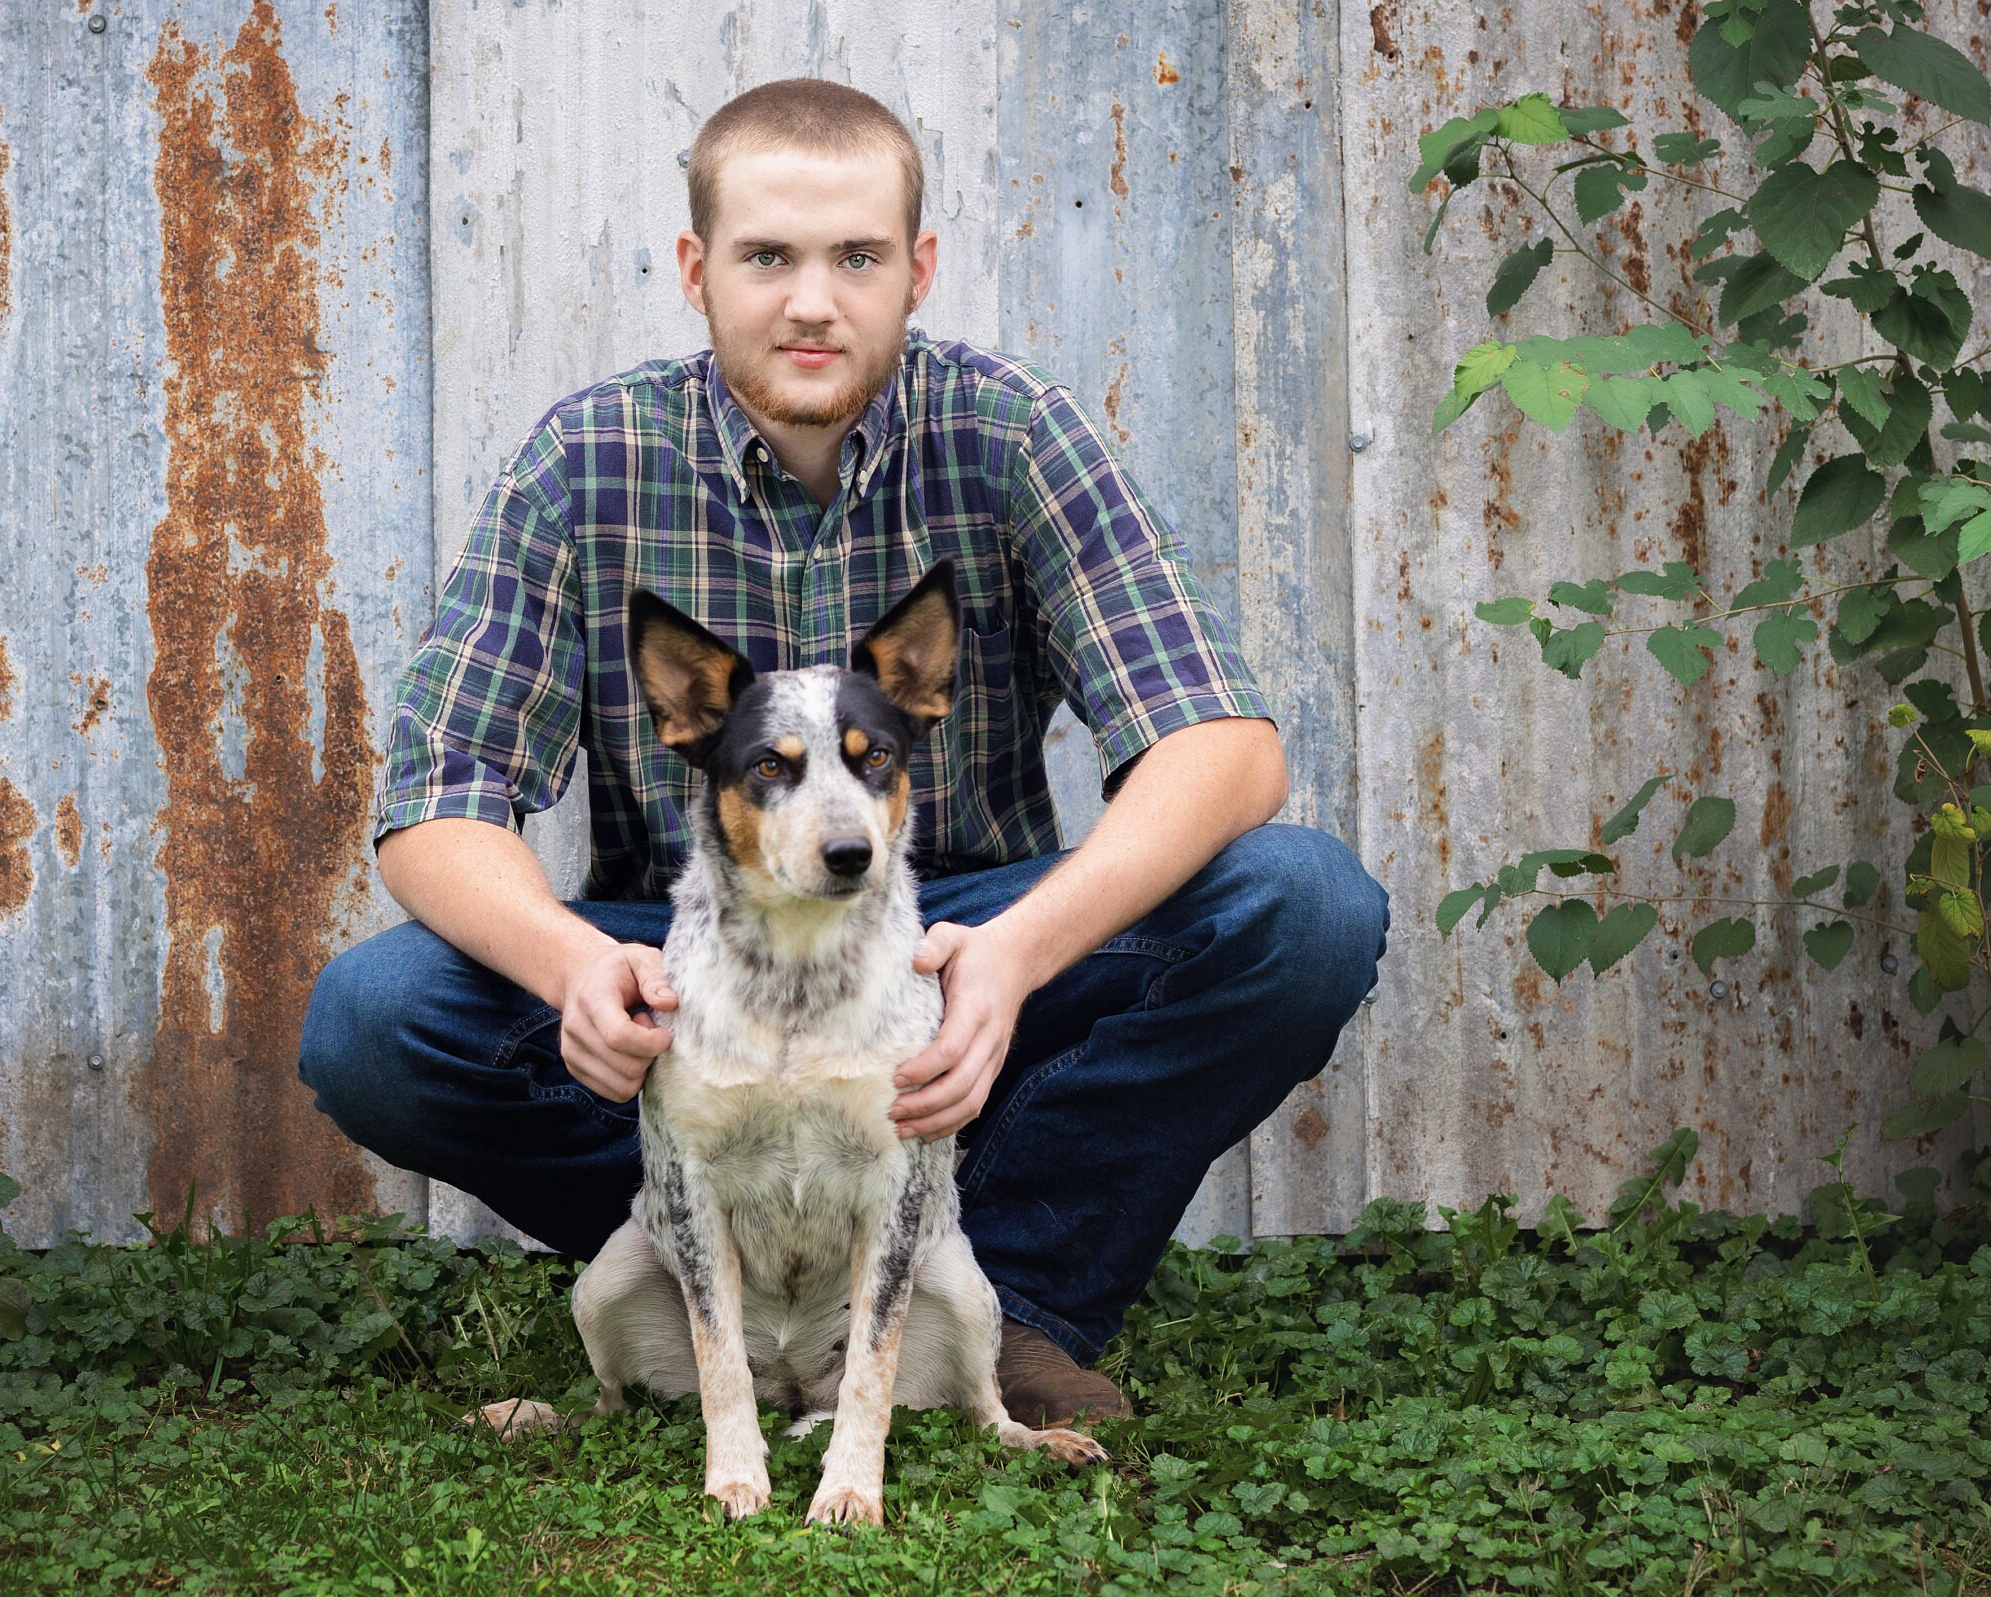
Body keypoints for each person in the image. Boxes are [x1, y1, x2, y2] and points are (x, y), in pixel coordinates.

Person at [299, 78, 1388, 1426]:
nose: (812, 302)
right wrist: (574, 969)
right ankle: (729, 1269)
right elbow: (437, 802)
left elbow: (1224, 748)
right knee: (380, 1017)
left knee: (1302, 906)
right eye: (768, 257)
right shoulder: (586, 460)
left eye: (857, 258)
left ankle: (1012, 1297)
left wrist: (1016, 956)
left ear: (918, 270)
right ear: (696, 270)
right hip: (697, 973)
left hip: (946, 956)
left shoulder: (1010, 431)